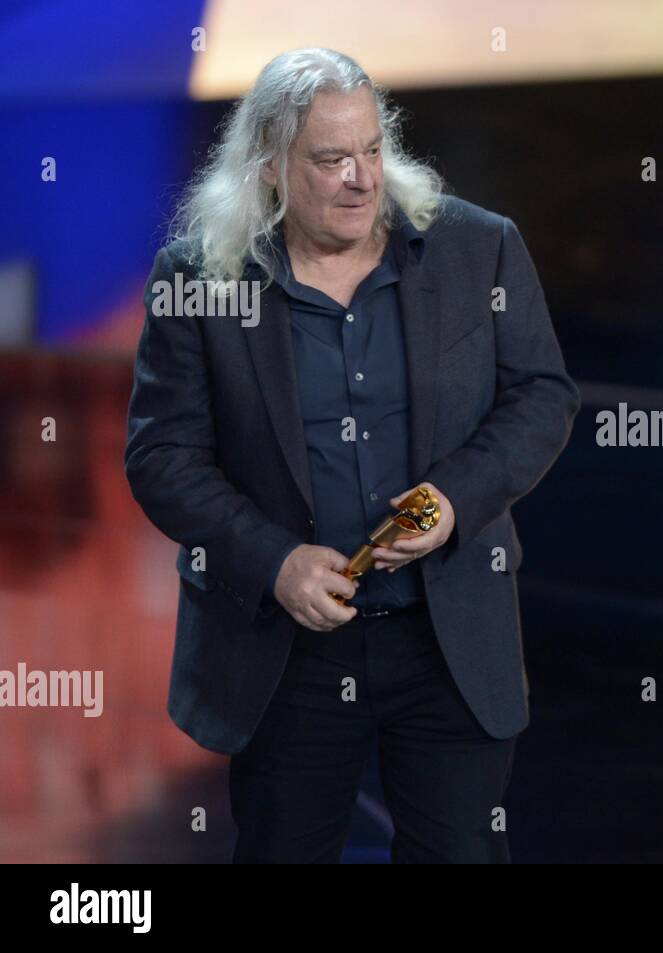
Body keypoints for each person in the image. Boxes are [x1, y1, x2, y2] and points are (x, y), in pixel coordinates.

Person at [124, 48, 579, 862]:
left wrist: (451, 502)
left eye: (372, 149)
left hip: (446, 635)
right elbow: (162, 455)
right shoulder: (197, 280)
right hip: (286, 649)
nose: (362, 178)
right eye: (331, 160)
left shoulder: (479, 250)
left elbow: (542, 397)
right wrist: (274, 561)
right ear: (270, 170)